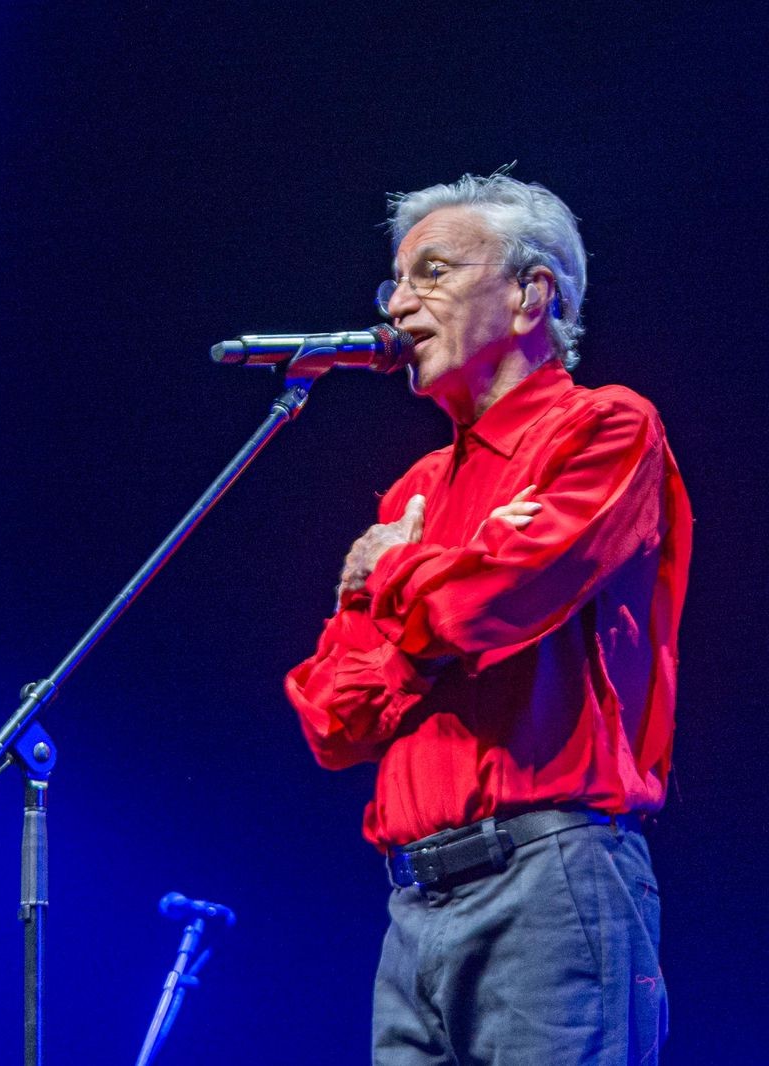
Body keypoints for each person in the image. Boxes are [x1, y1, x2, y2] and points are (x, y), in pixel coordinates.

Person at [284, 173, 691, 1064]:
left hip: (548, 877)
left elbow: (497, 600)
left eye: (431, 272)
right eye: (393, 282)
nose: (398, 305)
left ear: (529, 296)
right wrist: (420, 611)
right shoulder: (417, 491)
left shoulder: (607, 429)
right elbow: (333, 717)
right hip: (413, 903)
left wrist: (397, 580)